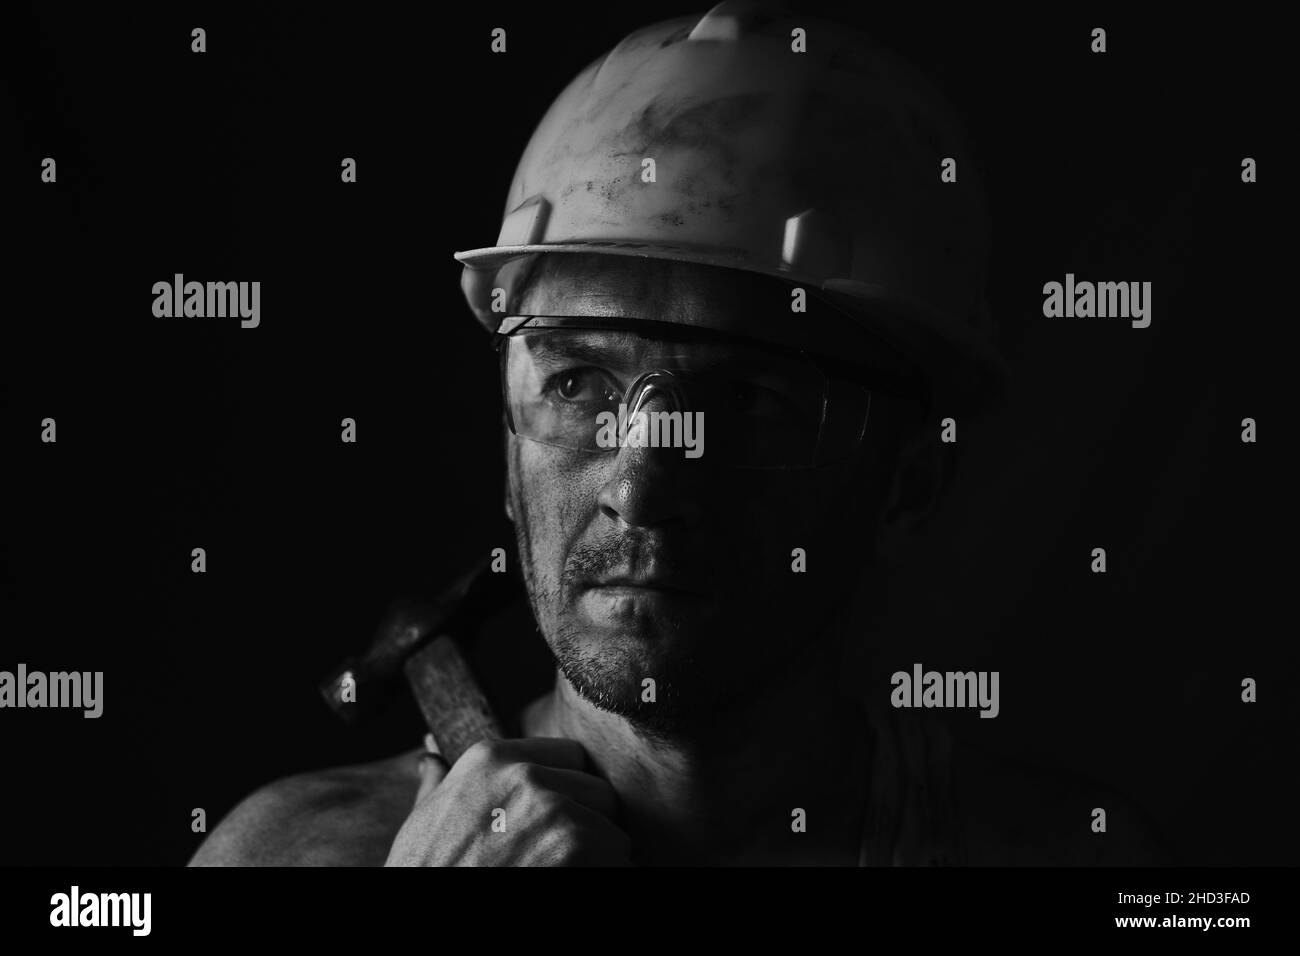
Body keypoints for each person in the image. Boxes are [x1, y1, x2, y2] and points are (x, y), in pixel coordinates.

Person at [191, 3, 1170, 867]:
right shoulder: (284, 854)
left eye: (746, 402)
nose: (639, 486)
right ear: (505, 439)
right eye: (575, 382)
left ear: (908, 480)